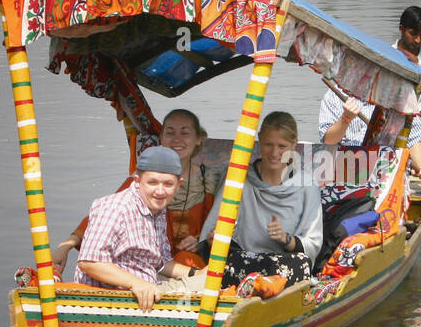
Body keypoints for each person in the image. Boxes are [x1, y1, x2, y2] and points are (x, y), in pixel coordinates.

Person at [53, 109, 220, 274]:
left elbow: (217, 225)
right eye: (170, 133)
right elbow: (102, 218)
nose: (177, 139)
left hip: (187, 260)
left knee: (187, 260)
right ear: (161, 138)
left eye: (185, 133)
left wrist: (201, 240)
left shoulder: (209, 179)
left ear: (199, 139)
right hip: (148, 261)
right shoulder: (140, 182)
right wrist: (68, 244)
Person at [317, 6, 421, 183]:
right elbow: (328, 141)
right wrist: (345, 119)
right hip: (345, 170)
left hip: (382, 171)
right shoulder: (335, 96)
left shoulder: (396, 96)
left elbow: (414, 137)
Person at [198, 110, 322, 292]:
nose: (274, 153)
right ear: (259, 140)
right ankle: (256, 286)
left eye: (282, 146)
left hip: (284, 263)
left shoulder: (307, 185)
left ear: (294, 144)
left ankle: (260, 287)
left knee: (301, 263)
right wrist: (214, 239)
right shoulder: (239, 179)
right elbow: (215, 232)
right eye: (268, 144)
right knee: (228, 262)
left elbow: (313, 244)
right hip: (244, 259)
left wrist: (285, 239)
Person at [74, 145, 197, 311]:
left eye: (168, 184)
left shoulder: (157, 209)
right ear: (137, 181)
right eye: (152, 182)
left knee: (209, 278)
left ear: (179, 184)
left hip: (148, 287)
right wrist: (137, 283)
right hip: (112, 300)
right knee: (209, 288)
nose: (160, 191)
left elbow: (159, 263)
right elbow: (89, 262)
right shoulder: (115, 208)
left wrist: (194, 273)